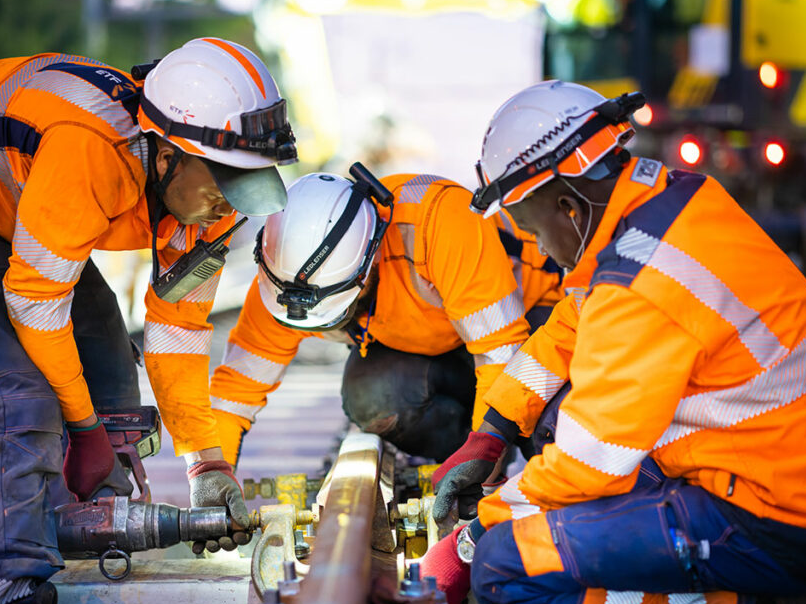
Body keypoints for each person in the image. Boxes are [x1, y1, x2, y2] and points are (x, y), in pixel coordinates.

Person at [423, 80, 806, 604]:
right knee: (555, 428)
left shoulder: (641, 285)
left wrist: (468, 543)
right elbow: (566, 331)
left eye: (531, 226)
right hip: (790, 468)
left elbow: (593, 462)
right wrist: (494, 432)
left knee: (505, 568)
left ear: (566, 204)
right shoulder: (664, 200)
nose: (535, 243)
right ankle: (733, 594)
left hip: (789, 521)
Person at [0, 38, 296, 604]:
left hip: (8, 198)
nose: (228, 206)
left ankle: (95, 517)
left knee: (107, 346)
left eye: (245, 185)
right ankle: (9, 579)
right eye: (222, 185)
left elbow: (179, 332)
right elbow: (35, 303)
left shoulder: (204, 200)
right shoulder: (92, 150)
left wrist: (206, 463)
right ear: (166, 156)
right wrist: (85, 429)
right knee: (14, 389)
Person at [203, 169, 564, 506]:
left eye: (340, 312)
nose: (329, 328)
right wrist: (210, 471)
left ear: (369, 265)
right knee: (375, 395)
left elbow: (501, 354)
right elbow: (237, 388)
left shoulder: (437, 222)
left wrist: (486, 463)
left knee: (551, 427)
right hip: (437, 341)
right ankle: (454, 459)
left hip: (529, 322)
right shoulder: (287, 277)